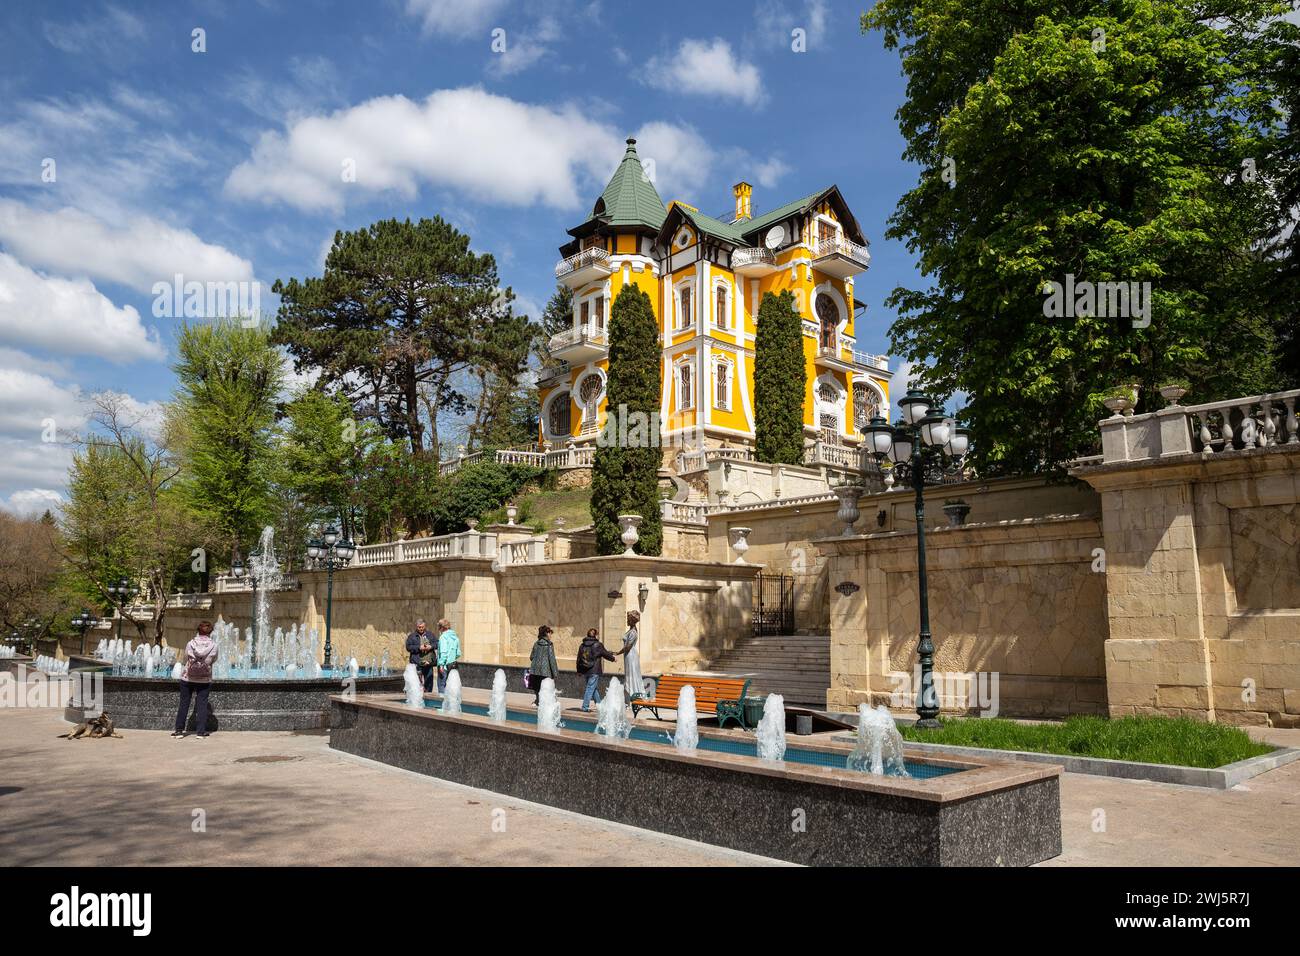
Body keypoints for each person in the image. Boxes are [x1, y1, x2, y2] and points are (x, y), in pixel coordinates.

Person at [173, 621, 218, 738]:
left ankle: (179, 731)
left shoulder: (190, 643)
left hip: (188, 678)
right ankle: (200, 732)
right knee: (202, 705)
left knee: (184, 703)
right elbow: (214, 660)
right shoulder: (214, 645)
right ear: (210, 632)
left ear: (198, 630)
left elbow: (185, 658)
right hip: (204, 679)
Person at [576, 627, 617, 712]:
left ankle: (600, 706)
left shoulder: (582, 645)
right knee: (590, 688)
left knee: (593, 688)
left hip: (585, 670)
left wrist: (579, 670)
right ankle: (585, 707)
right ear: (595, 635)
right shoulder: (597, 644)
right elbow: (605, 653)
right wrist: (613, 659)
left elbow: (579, 658)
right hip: (594, 670)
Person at [528, 624, 558, 705]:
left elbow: (531, 657)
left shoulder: (536, 643)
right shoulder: (549, 645)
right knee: (546, 687)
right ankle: (545, 702)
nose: (551, 635)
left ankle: (538, 700)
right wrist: (555, 673)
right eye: (550, 633)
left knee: (537, 687)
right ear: (547, 633)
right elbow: (552, 659)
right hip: (545, 671)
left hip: (535, 670)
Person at [619, 610, 645, 699]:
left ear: (632, 621)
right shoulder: (630, 631)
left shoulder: (633, 632)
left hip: (631, 655)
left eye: (628, 619)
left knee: (632, 674)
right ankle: (630, 696)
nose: (627, 621)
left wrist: (617, 653)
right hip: (628, 655)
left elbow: (628, 647)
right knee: (629, 674)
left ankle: (633, 695)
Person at [404, 619, 435, 693]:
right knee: (417, 684)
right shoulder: (412, 636)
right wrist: (419, 647)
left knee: (429, 683)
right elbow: (408, 647)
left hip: (428, 663)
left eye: (422, 627)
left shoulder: (430, 635)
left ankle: (428, 697)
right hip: (417, 663)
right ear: (416, 627)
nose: (421, 629)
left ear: (425, 626)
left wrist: (430, 646)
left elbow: (437, 643)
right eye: (419, 627)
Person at [436, 618, 460, 694]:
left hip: (445, 665)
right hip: (453, 664)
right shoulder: (455, 637)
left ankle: (442, 704)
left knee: (441, 685)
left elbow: (443, 652)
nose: (438, 629)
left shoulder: (443, 637)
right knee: (451, 686)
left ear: (442, 627)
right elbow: (458, 653)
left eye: (439, 627)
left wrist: (441, 665)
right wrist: (452, 658)